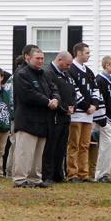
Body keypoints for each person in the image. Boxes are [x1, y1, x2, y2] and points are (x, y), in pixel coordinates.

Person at [12, 46, 56, 188]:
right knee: (25, 152)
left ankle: (35, 178)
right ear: (27, 58)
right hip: (27, 120)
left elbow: (54, 89)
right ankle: (20, 179)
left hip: (42, 120)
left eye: (42, 58)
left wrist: (55, 99)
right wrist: (47, 101)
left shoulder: (44, 74)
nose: (40, 61)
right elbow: (28, 94)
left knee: (38, 152)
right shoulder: (21, 74)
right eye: (37, 58)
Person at [66, 43, 101, 182]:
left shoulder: (89, 71)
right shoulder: (71, 70)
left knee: (85, 145)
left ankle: (83, 173)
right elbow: (73, 90)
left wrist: (95, 105)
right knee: (74, 144)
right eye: (86, 52)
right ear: (79, 53)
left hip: (89, 114)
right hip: (77, 113)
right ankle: (72, 173)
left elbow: (95, 89)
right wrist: (86, 105)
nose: (89, 55)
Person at [42, 51, 75, 184]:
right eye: (67, 64)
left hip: (66, 116)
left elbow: (72, 92)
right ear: (59, 60)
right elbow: (52, 93)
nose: (68, 67)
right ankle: (48, 175)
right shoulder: (49, 73)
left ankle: (58, 174)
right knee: (51, 147)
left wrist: (73, 106)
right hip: (54, 116)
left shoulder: (66, 74)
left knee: (61, 147)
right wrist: (63, 109)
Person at [93, 56, 111, 182]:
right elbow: (99, 99)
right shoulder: (100, 80)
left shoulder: (110, 81)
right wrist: (101, 117)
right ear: (107, 65)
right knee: (105, 146)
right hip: (103, 118)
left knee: (108, 146)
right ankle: (101, 174)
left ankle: (105, 173)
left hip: (110, 117)